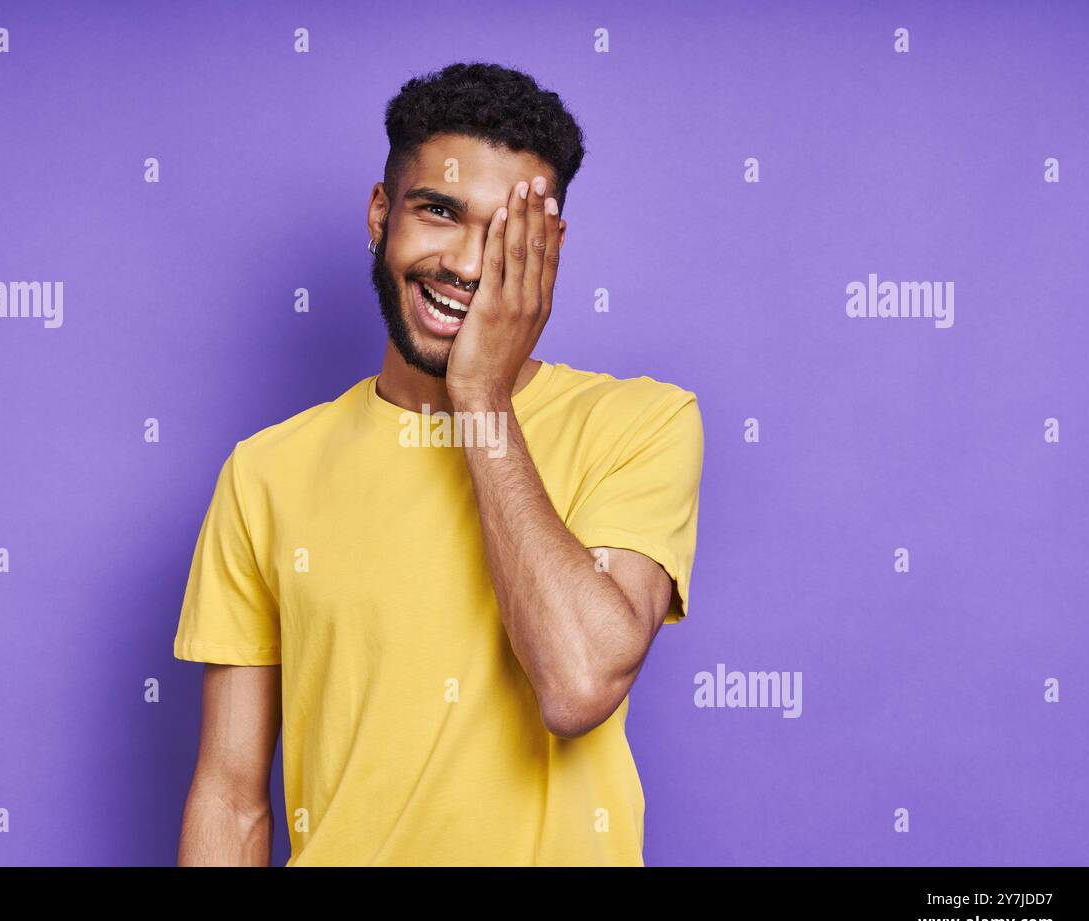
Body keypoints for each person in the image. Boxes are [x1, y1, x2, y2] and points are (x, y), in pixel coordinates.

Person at [173, 62, 704, 866]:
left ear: (546, 251)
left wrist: (481, 397)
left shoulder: (641, 424)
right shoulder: (265, 472)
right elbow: (230, 796)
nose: (461, 263)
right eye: (439, 211)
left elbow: (577, 684)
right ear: (381, 213)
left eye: (502, 234)